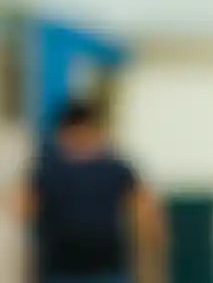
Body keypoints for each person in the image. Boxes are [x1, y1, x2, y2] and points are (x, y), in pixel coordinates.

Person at [20, 100, 167, 283]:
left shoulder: (115, 168)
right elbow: (25, 209)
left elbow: (146, 213)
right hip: (62, 270)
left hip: (105, 269)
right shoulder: (48, 171)